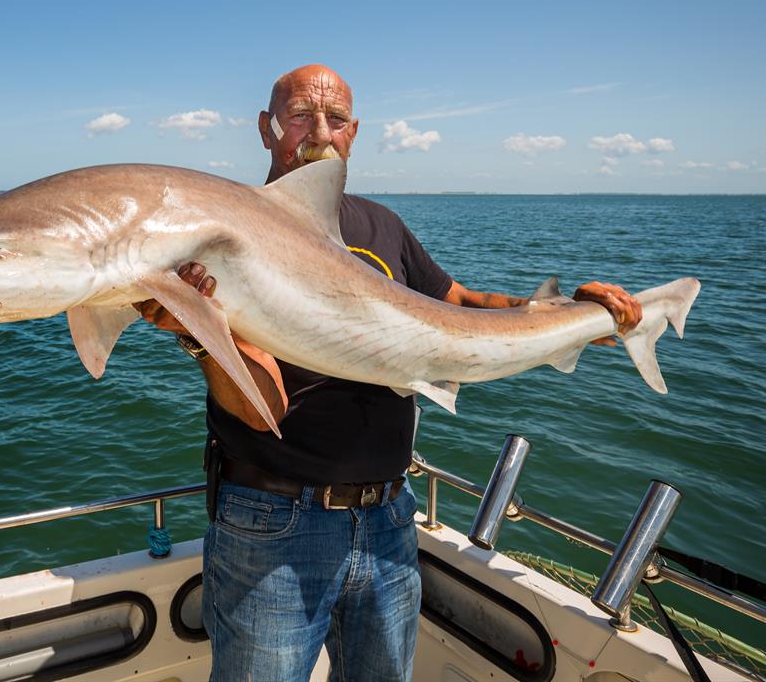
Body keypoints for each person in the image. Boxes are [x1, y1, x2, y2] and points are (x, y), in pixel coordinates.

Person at [135, 64, 642, 681]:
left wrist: (568, 315)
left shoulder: (382, 225)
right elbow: (260, 412)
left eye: (336, 119)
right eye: (300, 117)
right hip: (274, 525)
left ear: (354, 133)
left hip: (389, 518)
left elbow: (456, 303)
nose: (320, 134)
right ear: (266, 129)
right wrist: (197, 332)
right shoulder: (221, 230)